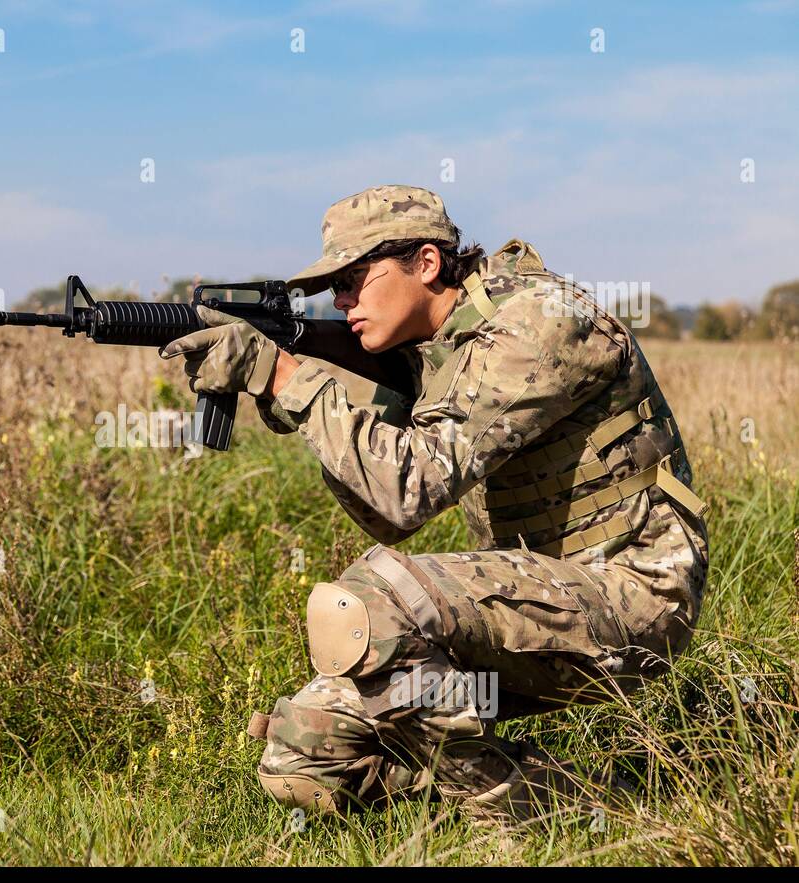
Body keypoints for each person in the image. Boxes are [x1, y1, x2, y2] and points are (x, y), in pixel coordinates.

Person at [159, 185, 709, 824]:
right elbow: (385, 513)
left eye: (355, 279)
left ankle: (522, 812)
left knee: (372, 600)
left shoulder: (539, 323)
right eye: (333, 288)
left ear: (426, 263)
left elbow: (408, 488)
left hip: (635, 598)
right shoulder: (437, 351)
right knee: (302, 751)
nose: (341, 301)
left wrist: (291, 379)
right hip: (537, 603)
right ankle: (524, 795)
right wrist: (301, 403)